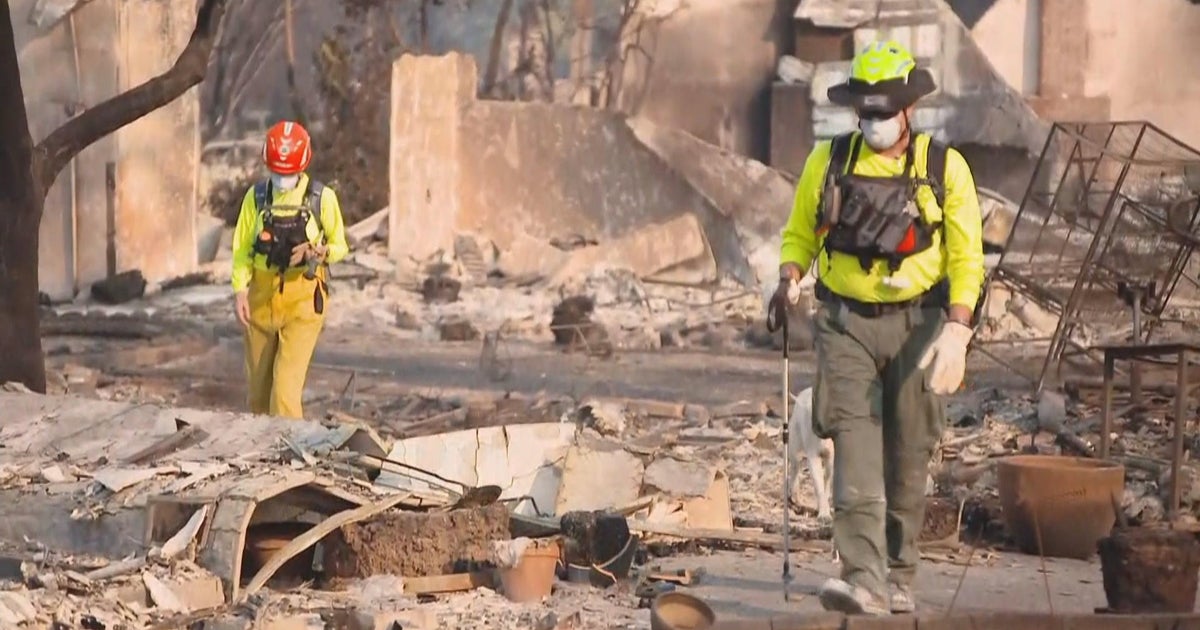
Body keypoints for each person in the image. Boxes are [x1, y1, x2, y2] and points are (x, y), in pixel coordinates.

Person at [769, 41, 985, 616]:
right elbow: (800, 234)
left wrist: (958, 331)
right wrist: (790, 276)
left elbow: (967, 260)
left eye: (884, 112)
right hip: (845, 324)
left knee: (908, 451)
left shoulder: (945, 169)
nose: (874, 123)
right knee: (855, 445)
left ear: (908, 110)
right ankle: (862, 575)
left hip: (920, 325)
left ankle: (899, 570)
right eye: (865, 113)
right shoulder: (830, 161)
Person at [230, 120, 349, 419]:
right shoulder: (256, 199)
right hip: (260, 299)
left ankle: (288, 460)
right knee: (258, 398)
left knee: (283, 395)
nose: (283, 179)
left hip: (303, 301)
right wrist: (240, 290)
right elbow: (242, 249)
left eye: (289, 173)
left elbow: (340, 245)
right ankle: (259, 457)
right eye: (278, 172)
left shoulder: (322, 200)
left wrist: (320, 252)